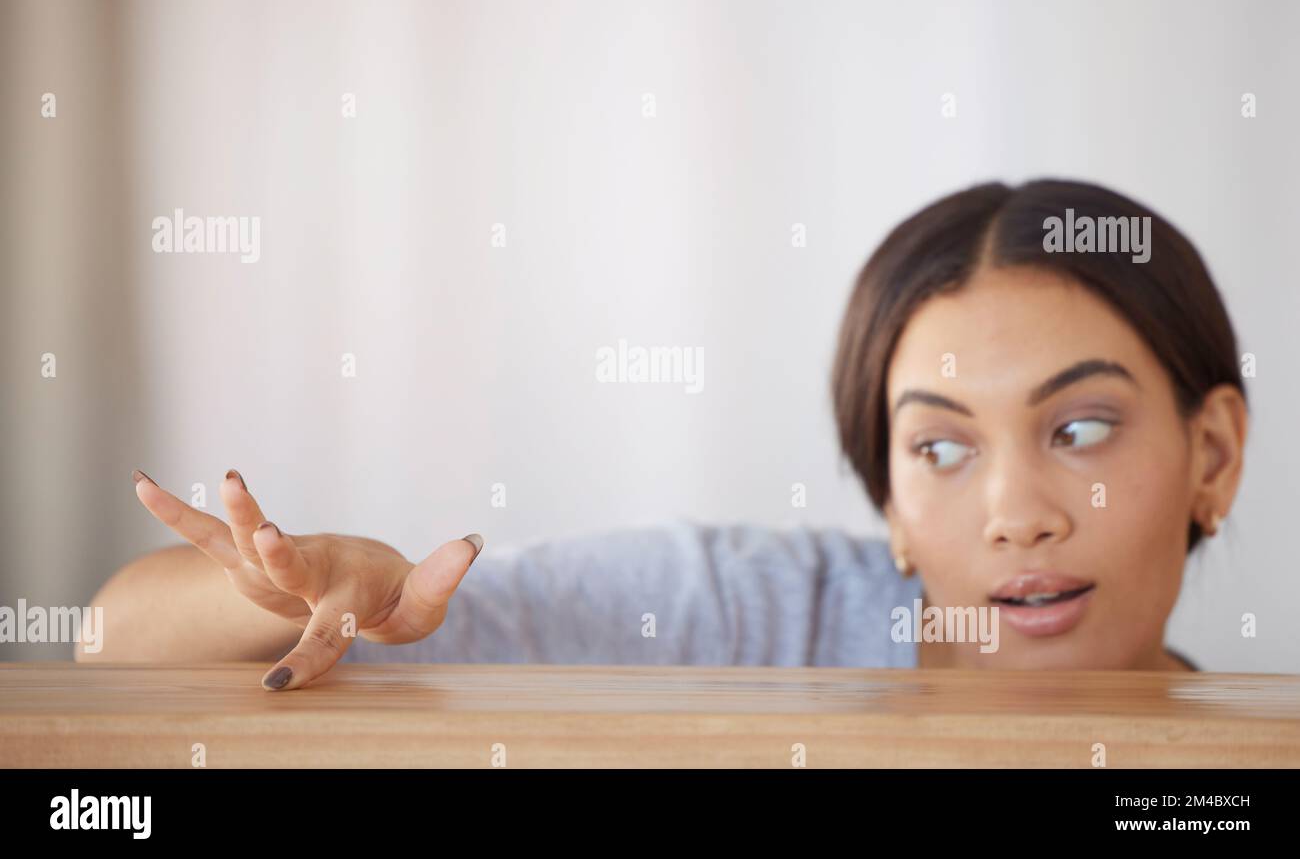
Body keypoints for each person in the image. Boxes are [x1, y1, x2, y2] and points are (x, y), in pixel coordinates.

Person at [79, 179, 1248, 689]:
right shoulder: (735, 617)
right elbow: (115, 641)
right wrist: (322, 582)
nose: (1016, 513)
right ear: (888, 502)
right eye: (939, 449)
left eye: (1081, 427)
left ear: (1213, 456)